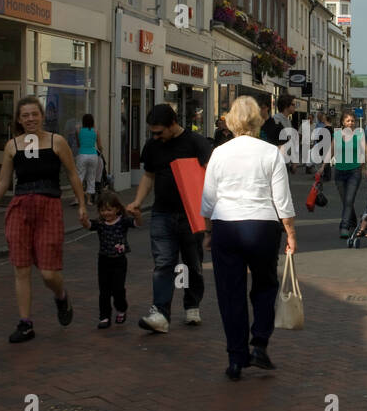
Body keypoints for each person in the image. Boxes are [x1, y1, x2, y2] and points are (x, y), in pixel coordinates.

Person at [0, 95, 89, 343]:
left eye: (34, 114)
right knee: (22, 268)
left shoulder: (56, 142)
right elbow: (2, 182)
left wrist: (82, 204)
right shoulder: (12, 146)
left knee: (48, 273)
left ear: (42, 116)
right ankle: (26, 323)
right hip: (20, 207)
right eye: (25, 115)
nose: (30, 119)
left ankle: (61, 296)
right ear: (18, 119)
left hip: (49, 207)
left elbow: (72, 174)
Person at [201, 96, 298, 380]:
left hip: (226, 224)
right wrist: (290, 233)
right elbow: (282, 199)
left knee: (230, 292)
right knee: (265, 285)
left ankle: (235, 357)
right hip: (262, 225)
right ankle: (259, 343)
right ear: (258, 120)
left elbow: (208, 199)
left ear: (231, 120)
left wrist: (208, 232)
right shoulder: (270, 153)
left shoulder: (219, 152)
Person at [127, 104, 213, 333]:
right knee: (163, 263)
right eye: (152, 133)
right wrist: (137, 201)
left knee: (192, 263)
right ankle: (160, 314)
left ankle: (192, 305)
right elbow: (148, 176)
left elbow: (211, 174)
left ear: (172, 124)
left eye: (159, 132)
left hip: (191, 214)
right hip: (162, 212)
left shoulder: (196, 143)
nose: (155, 137)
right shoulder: (153, 146)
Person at [92, 187, 136, 327]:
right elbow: (88, 225)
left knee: (118, 288)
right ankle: (104, 316)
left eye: (109, 209)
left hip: (119, 261)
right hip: (104, 260)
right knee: (104, 290)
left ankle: (121, 309)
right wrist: (82, 218)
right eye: (103, 210)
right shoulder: (100, 224)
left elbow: (137, 223)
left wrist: (138, 215)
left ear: (117, 209)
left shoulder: (123, 221)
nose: (106, 213)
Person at [329, 111, 367, 238]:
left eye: (352, 121)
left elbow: (365, 149)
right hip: (339, 171)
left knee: (349, 199)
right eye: (348, 121)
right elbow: (331, 150)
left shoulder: (359, 134)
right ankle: (354, 223)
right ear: (343, 122)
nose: (350, 123)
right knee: (346, 201)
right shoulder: (337, 134)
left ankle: (344, 226)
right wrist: (322, 166)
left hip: (354, 171)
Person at [75, 113, 104, 205]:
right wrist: (101, 151)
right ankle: (89, 200)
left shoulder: (79, 130)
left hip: (82, 154)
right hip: (93, 155)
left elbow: (78, 144)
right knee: (91, 177)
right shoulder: (95, 131)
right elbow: (99, 145)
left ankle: (77, 198)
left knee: (80, 176)